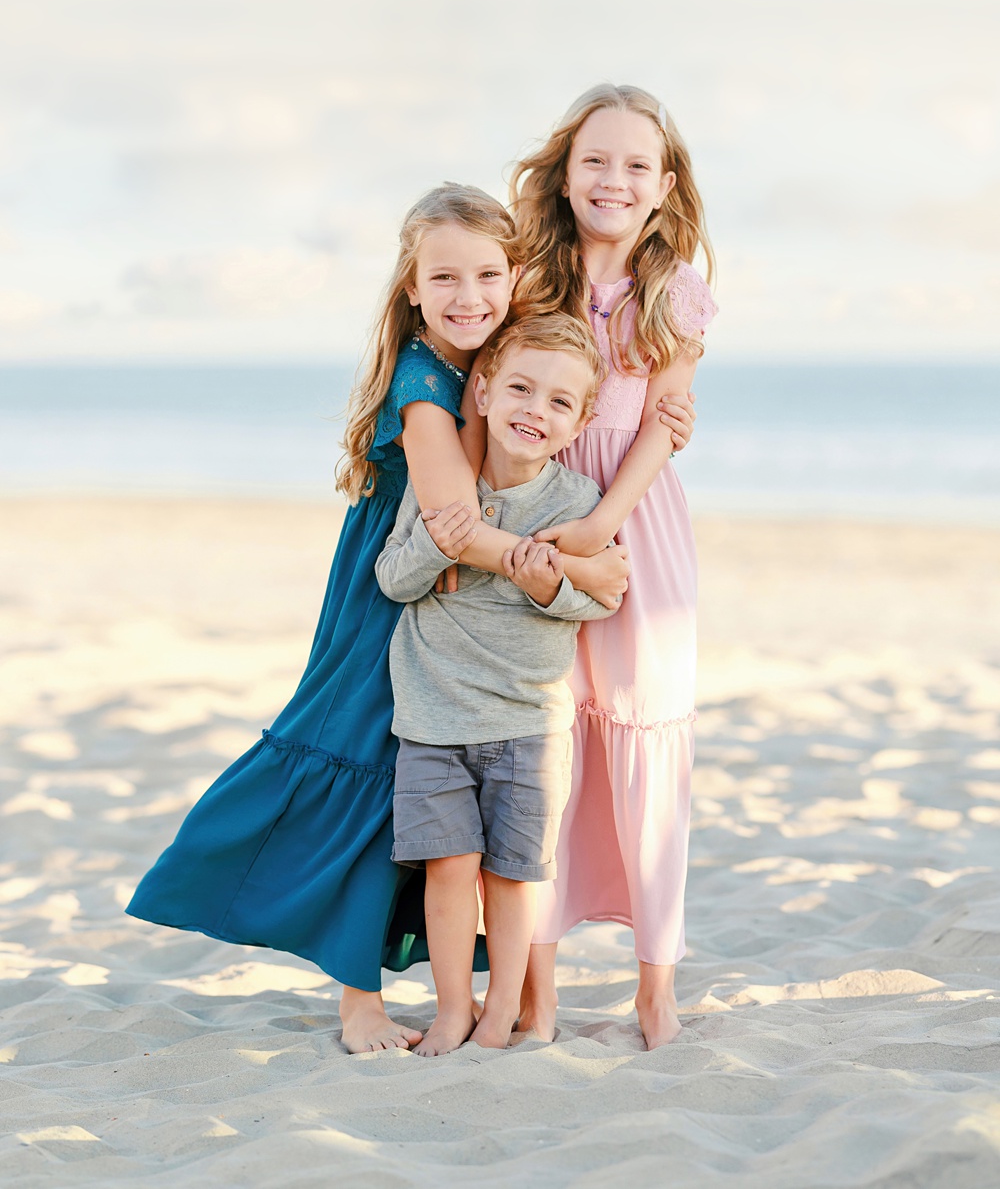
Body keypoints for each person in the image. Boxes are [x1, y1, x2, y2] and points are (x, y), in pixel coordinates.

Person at [126, 183, 631, 1054]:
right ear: (411, 286)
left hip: (459, 614)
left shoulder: (498, 358)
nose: (468, 295)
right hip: (389, 593)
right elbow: (455, 523)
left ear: (515, 276)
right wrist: (560, 559)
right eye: (445, 277)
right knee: (363, 759)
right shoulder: (426, 383)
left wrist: (595, 537)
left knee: (413, 783)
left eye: (485, 274)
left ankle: (494, 998)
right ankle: (358, 999)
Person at [507, 83, 718, 1050]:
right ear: (565, 169)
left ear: (664, 184)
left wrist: (601, 528)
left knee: (647, 743)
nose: (614, 180)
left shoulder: (676, 295)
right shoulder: (525, 276)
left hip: (636, 530)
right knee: (541, 753)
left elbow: (663, 429)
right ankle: (537, 993)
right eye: (597, 159)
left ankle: (654, 991)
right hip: (538, 526)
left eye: (637, 164)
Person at [375, 313, 615, 1055]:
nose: (533, 411)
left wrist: (550, 587)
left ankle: (503, 1008)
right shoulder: (444, 491)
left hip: (528, 728)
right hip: (434, 722)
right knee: (449, 872)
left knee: (513, 876)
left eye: (557, 402)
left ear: (580, 421)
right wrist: (436, 541)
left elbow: (602, 595)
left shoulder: (576, 505)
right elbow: (392, 579)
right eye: (519, 388)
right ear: (481, 391)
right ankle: (453, 1008)